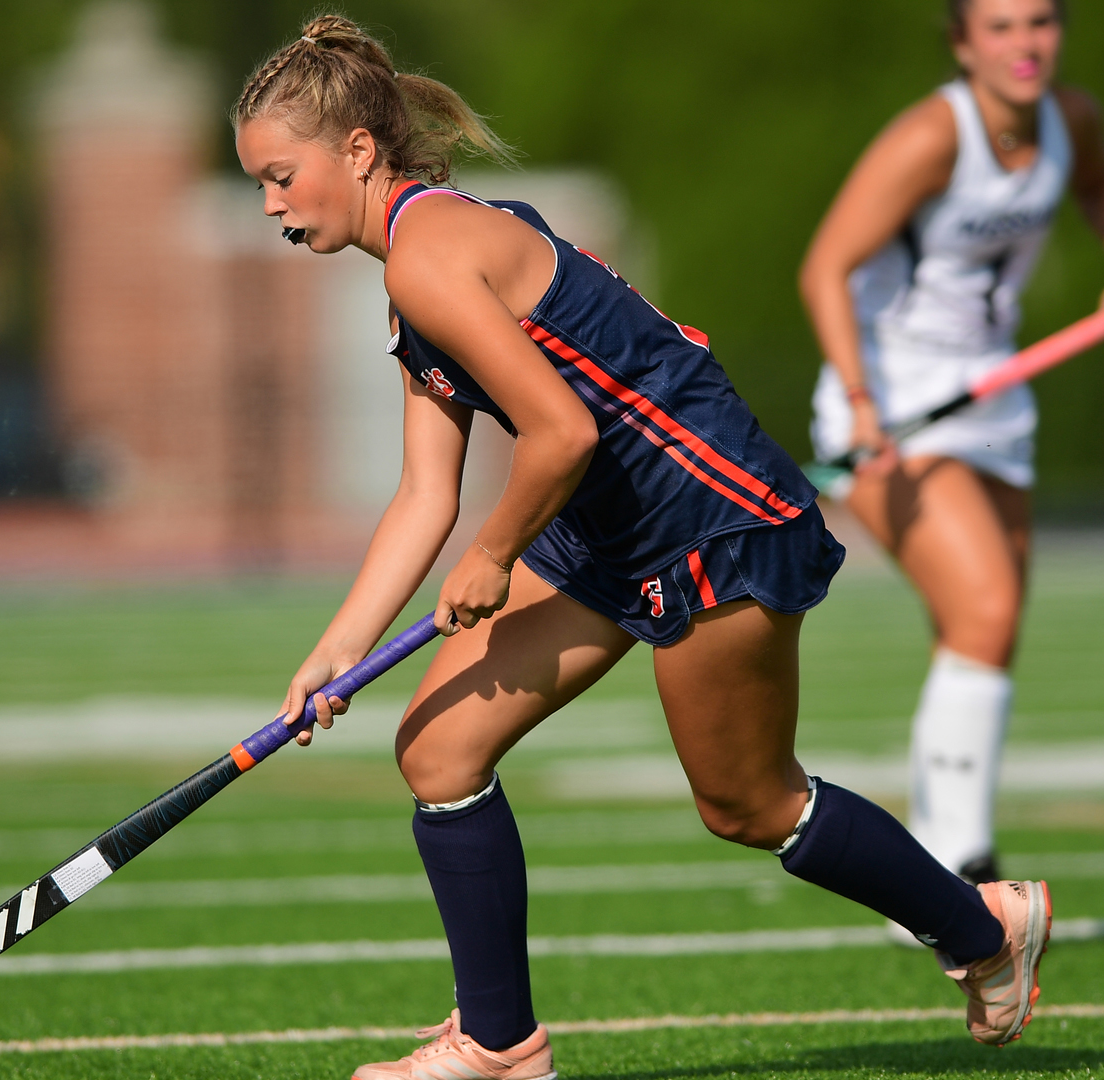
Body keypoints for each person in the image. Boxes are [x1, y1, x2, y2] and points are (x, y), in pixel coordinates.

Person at [233, 15, 1052, 1078]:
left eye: (281, 176)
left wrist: (494, 554)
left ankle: (985, 931)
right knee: (439, 752)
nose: (271, 205)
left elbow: (561, 433)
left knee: (747, 803)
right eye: (259, 183)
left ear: (356, 151)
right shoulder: (418, 278)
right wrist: (335, 652)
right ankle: (500, 1046)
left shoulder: (430, 257)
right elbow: (424, 494)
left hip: (709, 517)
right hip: (607, 529)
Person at [798, 0, 1104, 901]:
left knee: (980, 635)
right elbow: (825, 267)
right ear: (963, 45)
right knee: (987, 609)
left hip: (997, 397)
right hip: (895, 403)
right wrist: (861, 403)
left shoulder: (1072, 119)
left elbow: (1102, 184)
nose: (1025, 44)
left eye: (1040, 22)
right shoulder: (931, 137)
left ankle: (924, 875)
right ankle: (962, 865)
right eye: (1000, 28)